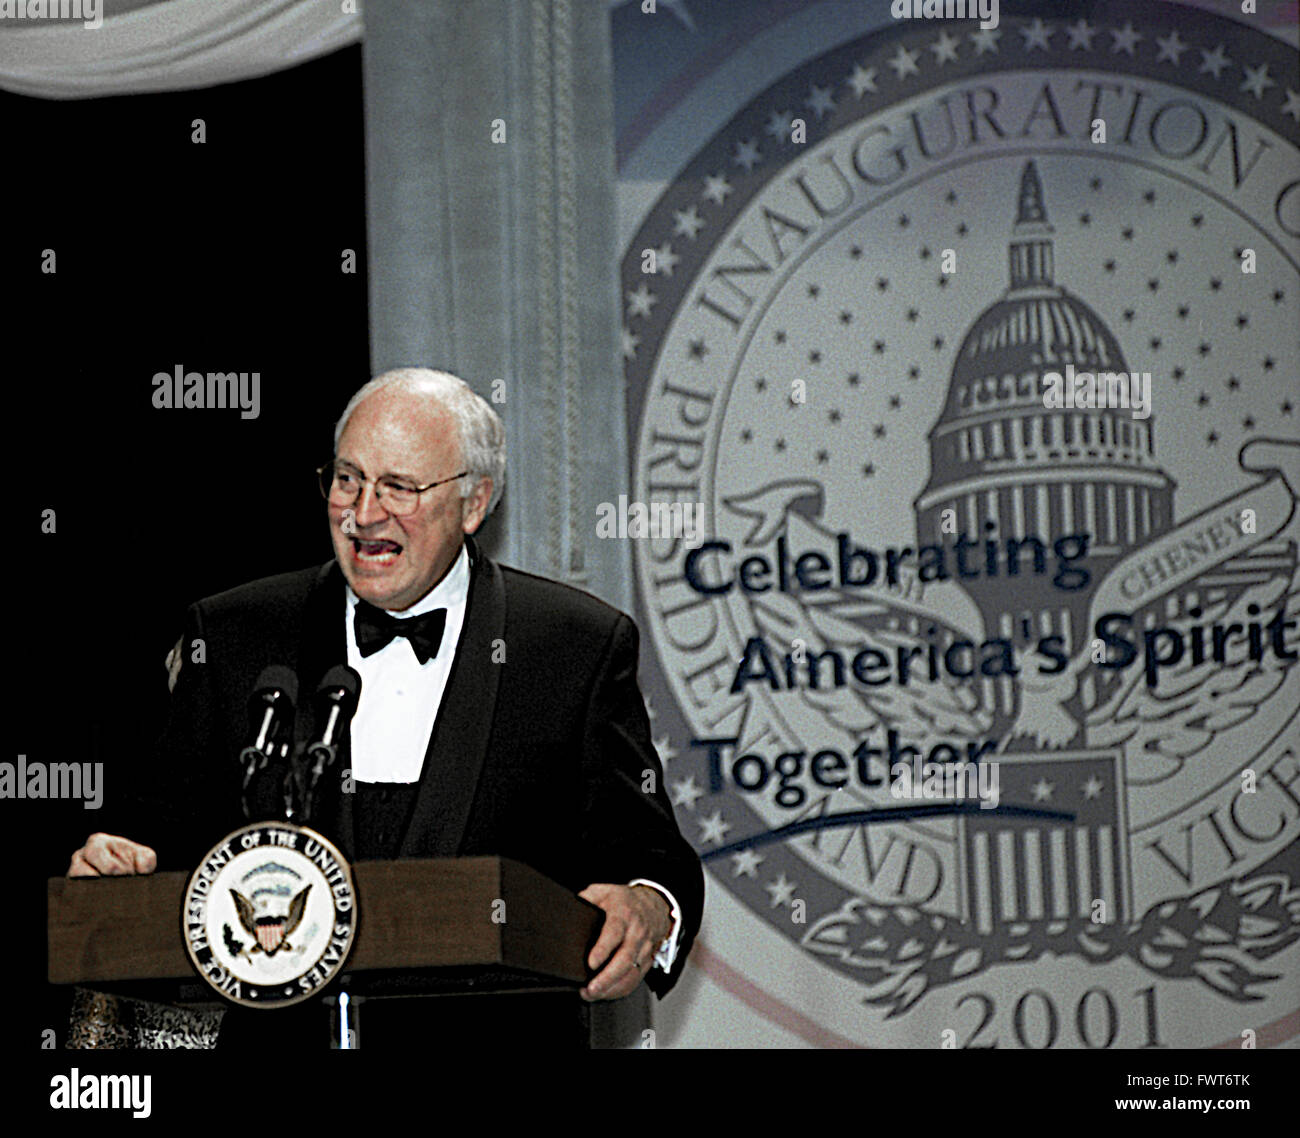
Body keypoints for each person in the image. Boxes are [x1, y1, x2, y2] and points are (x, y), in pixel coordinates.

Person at [68, 367, 704, 1047]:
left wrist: (648, 905)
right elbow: (159, 832)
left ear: (473, 503)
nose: (364, 513)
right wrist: (118, 866)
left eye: (399, 486)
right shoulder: (233, 635)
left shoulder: (571, 645)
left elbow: (650, 853)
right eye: (347, 480)